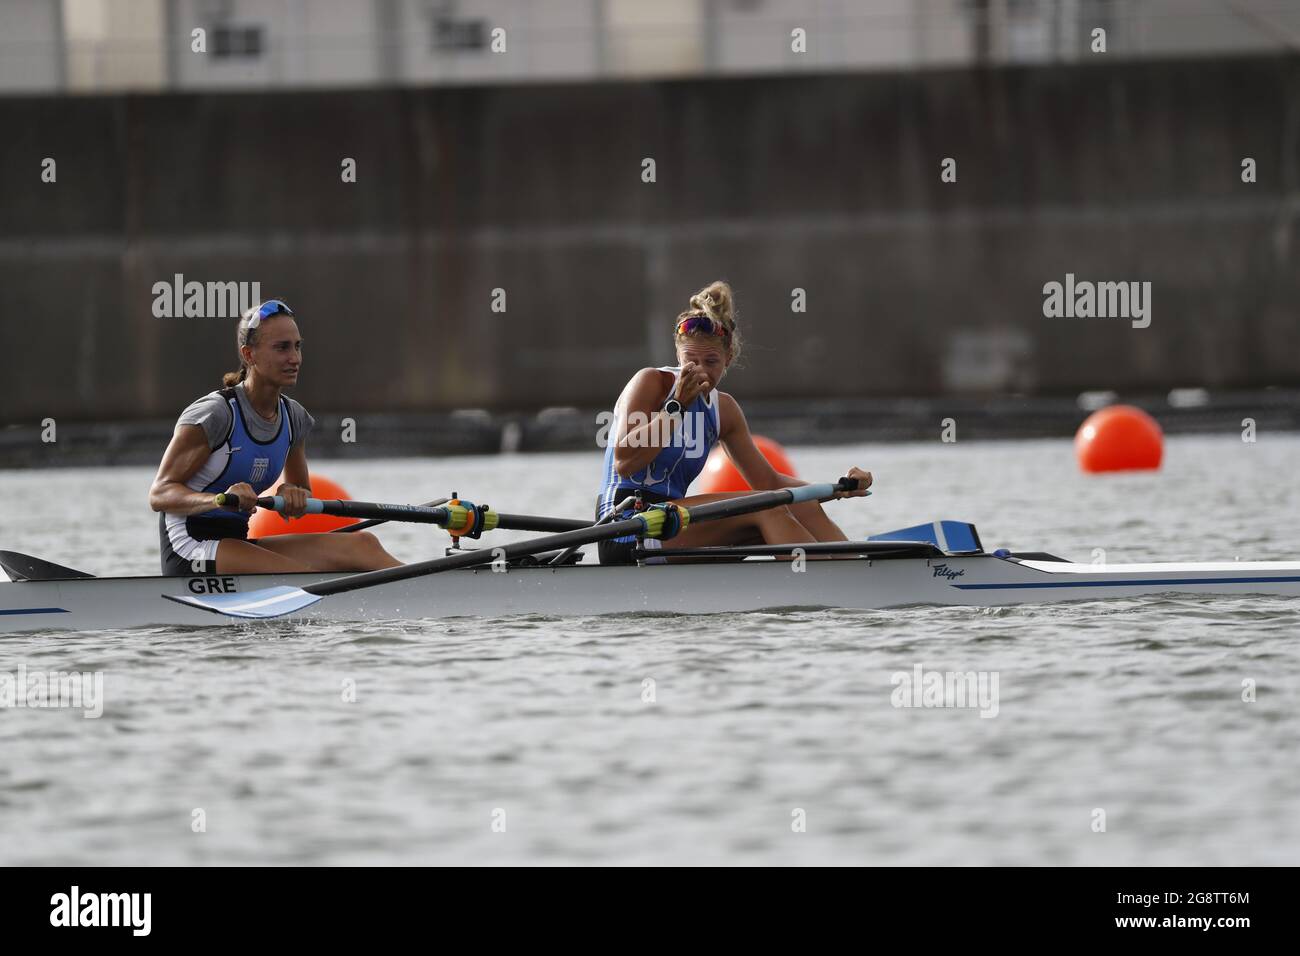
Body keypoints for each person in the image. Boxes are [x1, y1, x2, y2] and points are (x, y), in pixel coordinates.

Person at [595, 280, 872, 564]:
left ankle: (854, 572)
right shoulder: (651, 383)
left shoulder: (724, 410)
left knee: (801, 503)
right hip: (626, 528)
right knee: (767, 508)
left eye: (712, 361)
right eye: (692, 360)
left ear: (728, 359)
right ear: (678, 355)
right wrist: (676, 406)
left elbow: (769, 482)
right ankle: (827, 585)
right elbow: (625, 461)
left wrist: (839, 489)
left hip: (672, 522)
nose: (701, 370)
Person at [149, 299, 401, 575]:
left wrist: (292, 495)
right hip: (189, 546)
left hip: (237, 541)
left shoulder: (294, 418)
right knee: (297, 574)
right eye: (282, 348)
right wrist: (219, 499)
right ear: (249, 355)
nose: (294, 358)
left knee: (363, 545)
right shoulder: (215, 415)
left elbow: (299, 496)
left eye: (297, 346)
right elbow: (160, 493)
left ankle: (439, 588)